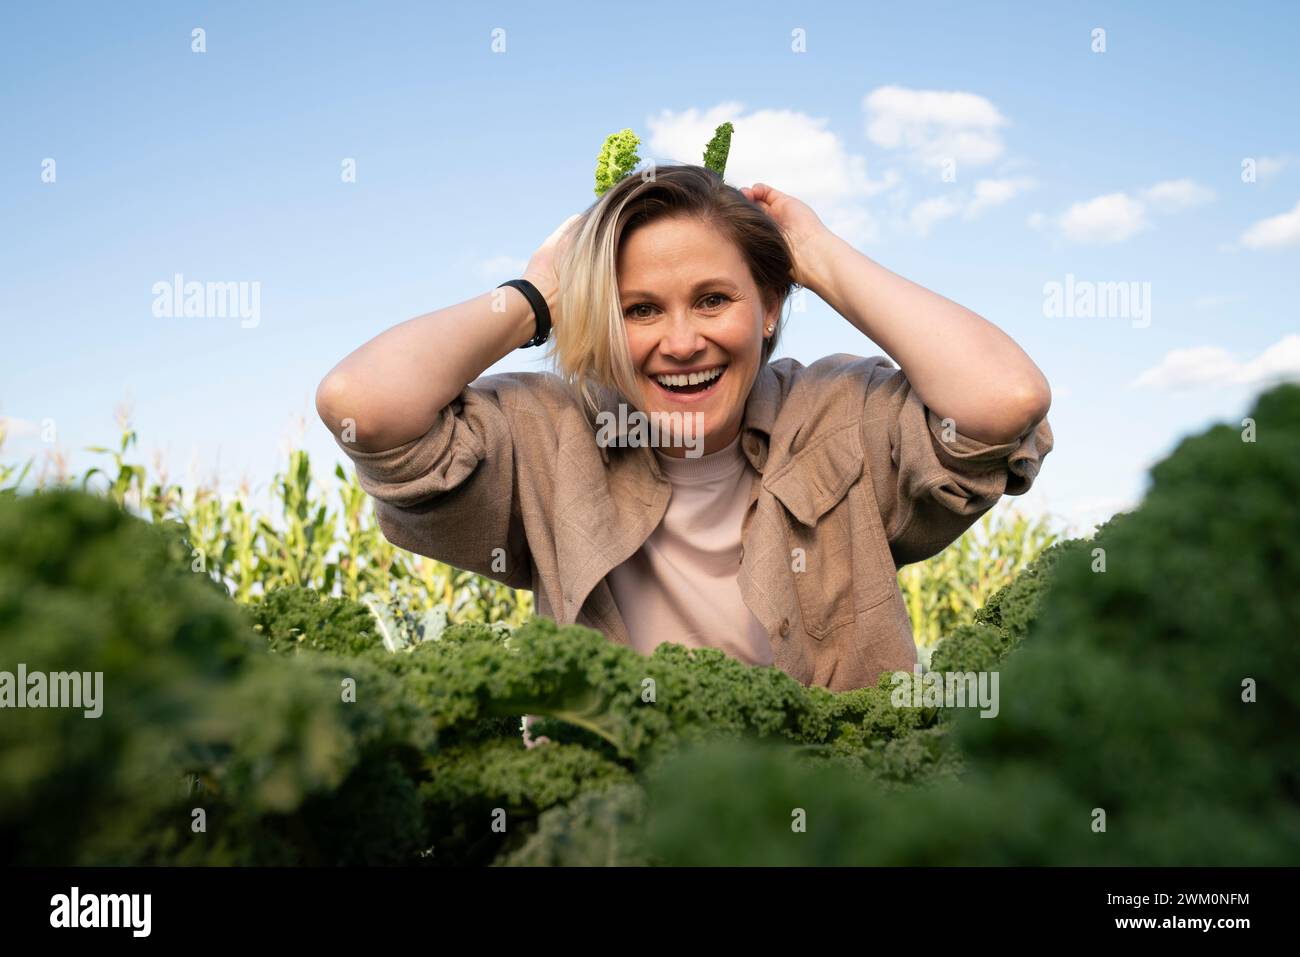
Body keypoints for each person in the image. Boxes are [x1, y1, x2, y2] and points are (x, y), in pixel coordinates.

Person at [315, 165, 1054, 743]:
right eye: (639, 309)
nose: (681, 342)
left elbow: (1004, 399)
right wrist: (538, 292)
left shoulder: (838, 415)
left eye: (712, 299)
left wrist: (819, 258)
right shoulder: (550, 434)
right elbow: (365, 405)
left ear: (768, 308)